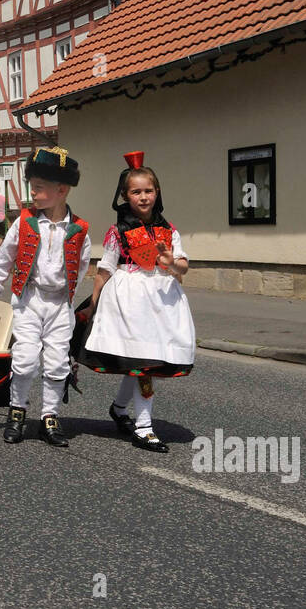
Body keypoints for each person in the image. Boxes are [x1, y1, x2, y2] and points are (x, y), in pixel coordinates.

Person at [75, 151, 195, 452]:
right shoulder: (117, 232)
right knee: (143, 362)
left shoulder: (170, 231)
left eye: (149, 191)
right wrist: (93, 302)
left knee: (141, 361)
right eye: (136, 191)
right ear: (125, 196)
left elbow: (182, 268)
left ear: (157, 193)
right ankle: (144, 428)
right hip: (129, 301)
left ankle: (119, 409)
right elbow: (106, 269)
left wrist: (169, 261)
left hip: (163, 302)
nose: (144, 197)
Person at [0, 148, 89, 447]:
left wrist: (67, 301)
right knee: (25, 360)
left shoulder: (80, 229)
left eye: (38, 188)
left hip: (59, 304)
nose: (33, 193)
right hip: (28, 300)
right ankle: (17, 411)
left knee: (56, 364)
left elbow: (82, 264)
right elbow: (4, 260)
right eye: (33, 187)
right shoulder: (24, 222)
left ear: (61, 190)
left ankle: (49, 418)